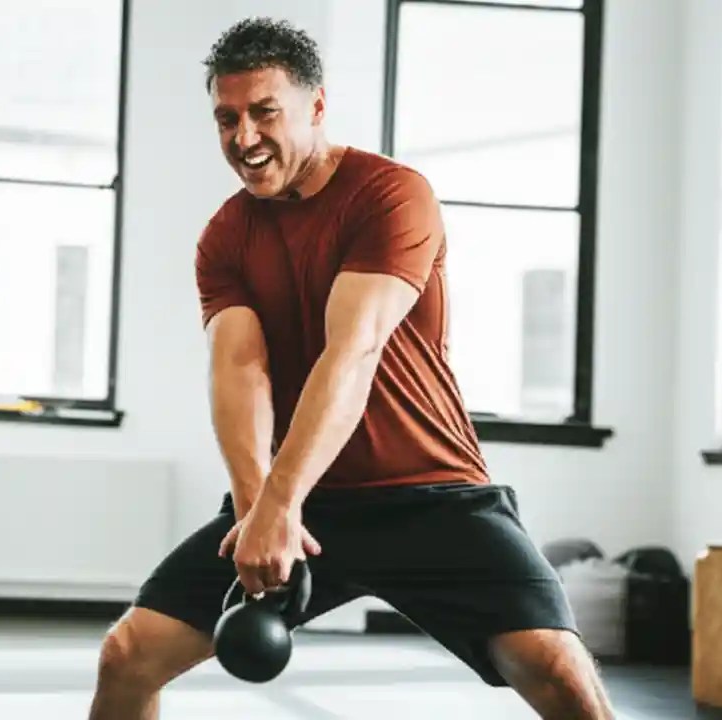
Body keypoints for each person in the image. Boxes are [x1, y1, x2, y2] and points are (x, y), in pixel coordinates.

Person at [88, 17, 615, 720]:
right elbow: (240, 370)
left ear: (316, 107)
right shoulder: (227, 235)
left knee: (556, 671)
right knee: (129, 657)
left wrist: (277, 504)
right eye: (226, 118)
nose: (243, 138)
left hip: (431, 493)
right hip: (304, 503)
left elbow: (354, 350)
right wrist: (257, 509)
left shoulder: (391, 195)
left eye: (264, 112)